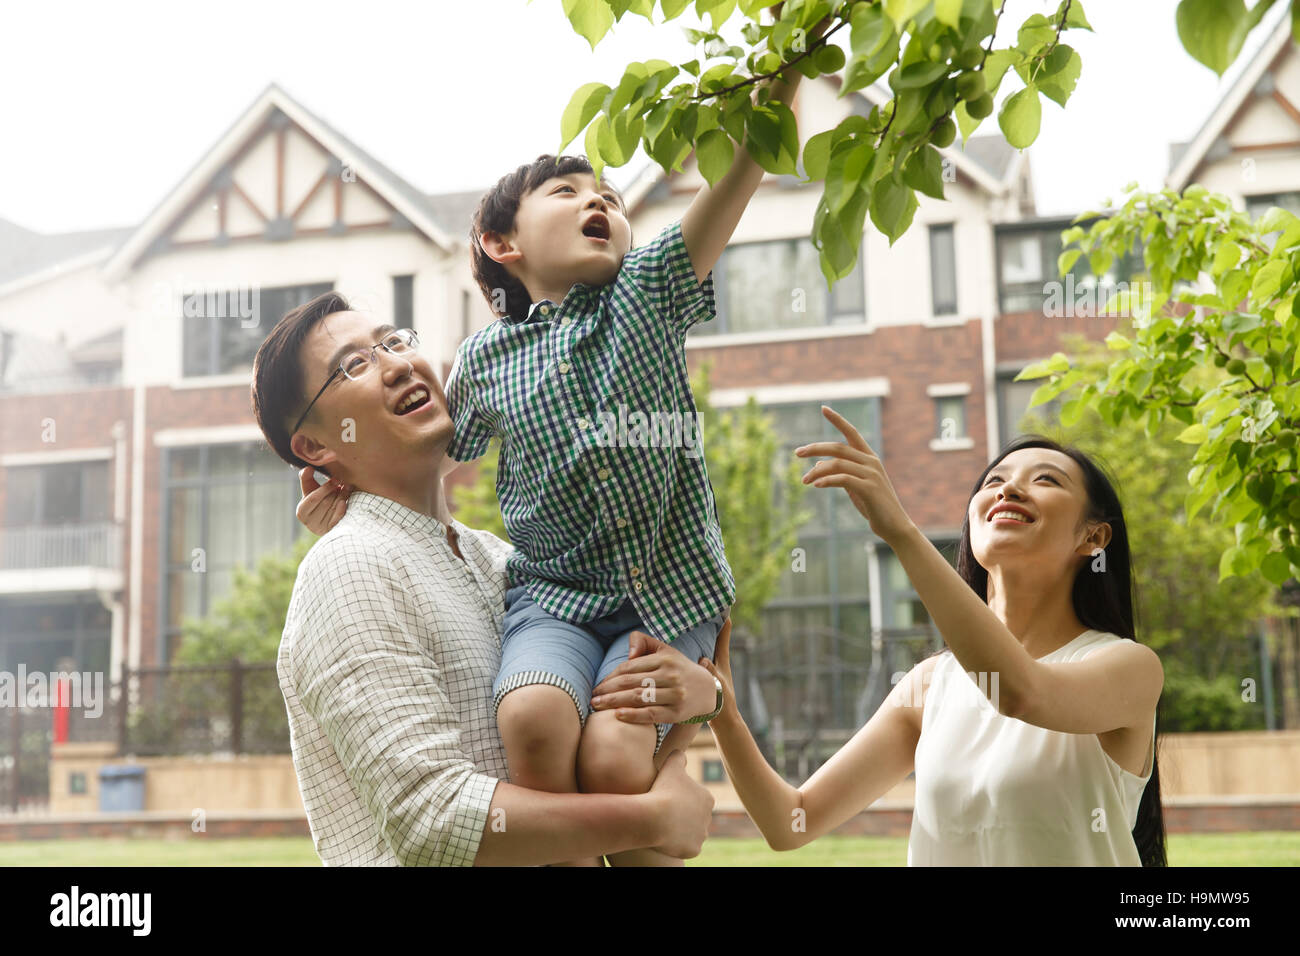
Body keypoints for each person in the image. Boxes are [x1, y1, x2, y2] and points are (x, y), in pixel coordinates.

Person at [439, 51, 814, 867]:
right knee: (533, 723)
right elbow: (428, 454)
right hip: (555, 600)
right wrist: (340, 477)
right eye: (568, 193)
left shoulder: (645, 292)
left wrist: (786, 76)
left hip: (668, 592)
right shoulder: (482, 361)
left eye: (609, 196)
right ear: (502, 242)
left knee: (613, 757)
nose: (598, 202)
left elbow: (735, 182)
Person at [251, 294, 719, 866]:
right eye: (354, 365)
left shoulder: (505, 562)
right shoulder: (347, 567)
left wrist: (706, 698)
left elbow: (635, 702)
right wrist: (651, 819)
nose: (397, 363)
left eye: (395, 340)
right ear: (316, 446)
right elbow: (431, 818)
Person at [593, 405, 1169, 866]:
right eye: (994, 482)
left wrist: (899, 529)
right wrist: (724, 709)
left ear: (1093, 539)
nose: (1008, 491)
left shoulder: (1128, 667)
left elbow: (1022, 693)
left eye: (1045, 481)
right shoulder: (929, 685)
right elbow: (791, 823)